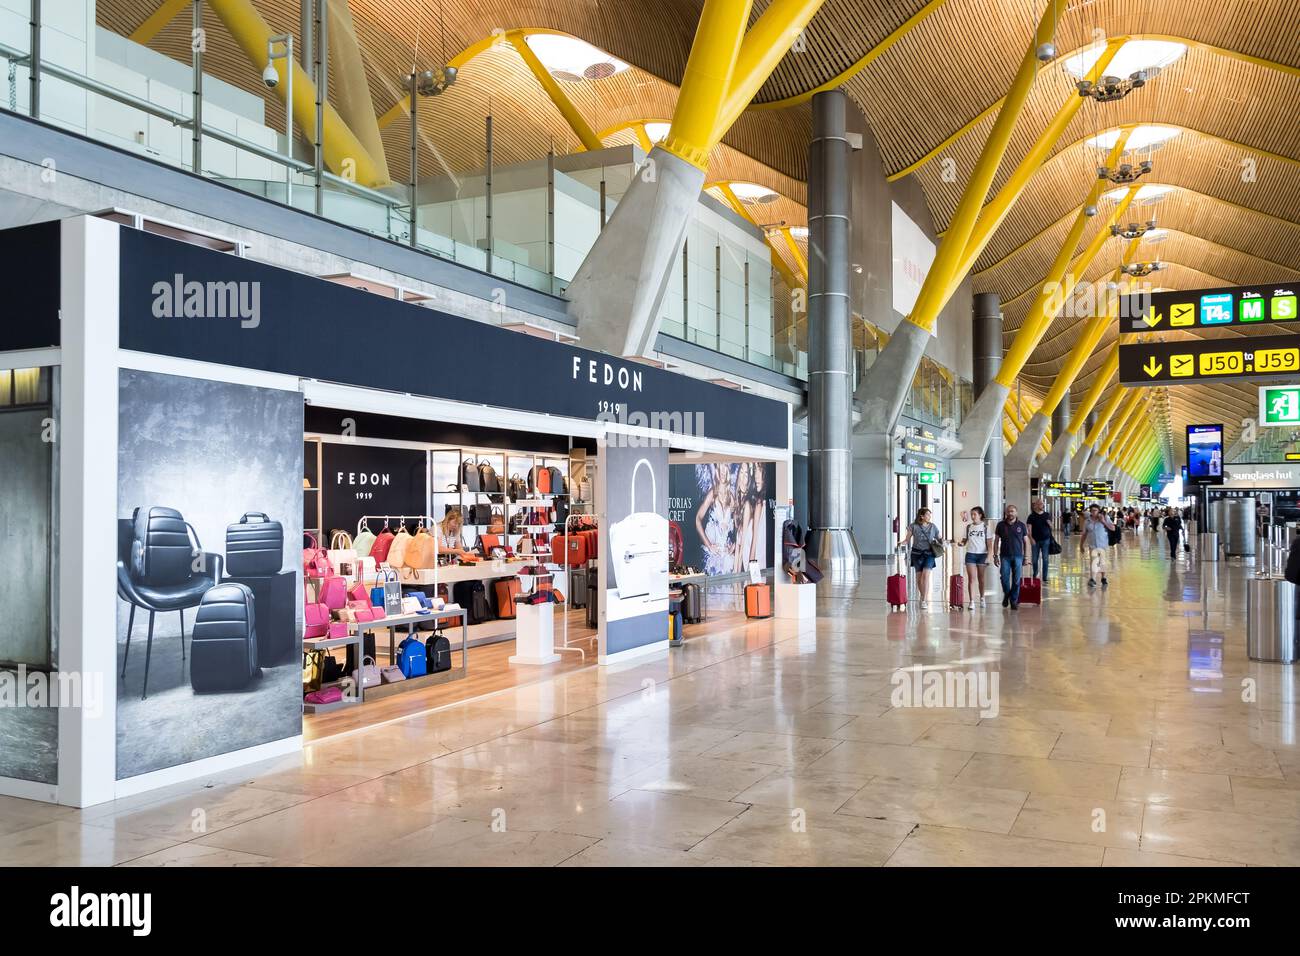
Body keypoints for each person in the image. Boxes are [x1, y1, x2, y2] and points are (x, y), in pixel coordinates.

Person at [898, 507, 940, 609]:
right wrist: (901, 543)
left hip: (929, 554)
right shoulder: (913, 526)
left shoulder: (933, 526)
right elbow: (907, 539)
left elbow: (940, 538)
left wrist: (944, 542)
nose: (929, 517)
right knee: (919, 579)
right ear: (921, 516)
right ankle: (922, 596)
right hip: (916, 554)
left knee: (925, 576)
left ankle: (924, 599)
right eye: (927, 515)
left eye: (930, 515)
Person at [992, 504, 1030, 609]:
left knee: (1017, 580)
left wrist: (1026, 557)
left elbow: (1026, 542)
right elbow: (996, 541)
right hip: (1004, 556)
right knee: (1004, 578)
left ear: (1016, 513)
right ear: (1006, 513)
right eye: (1008, 511)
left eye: (1012, 511)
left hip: (1018, 556)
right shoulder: (1000, 525)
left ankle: (1013, 600)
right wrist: (995, 556)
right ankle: (1007, 594)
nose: (1010, 513)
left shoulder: (1021, 526)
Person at [960, 506, 990, 610]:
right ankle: (972, 601)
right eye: (971, 514)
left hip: (982, 555)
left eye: (974, 514)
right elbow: (964, 540)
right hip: (970, 554)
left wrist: (989, 556)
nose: (972, 516)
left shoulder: (986, 527)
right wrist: (961, 543)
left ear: (980, 515)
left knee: (981, 579)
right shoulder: (968, 527)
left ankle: (982, 598)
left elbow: (989, 544)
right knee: (971, 579)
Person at [1082, 503, 1115, 589]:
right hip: (1092, 545)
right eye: (1092, 511)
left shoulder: (1105, 518)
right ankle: (1092, 579)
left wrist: (1103, 521)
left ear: (1099, 511)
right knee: (1094, 561)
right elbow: (1084, 534)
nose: (1094, 512)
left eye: (1095, 510)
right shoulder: (1087, 521)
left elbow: (1113, 528)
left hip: (1103, 544)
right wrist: (1081, 544)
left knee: (1102, 562)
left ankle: (1103, 578)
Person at [1026, 498, 1054, 583]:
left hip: (1046, 539)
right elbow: (1029, 529)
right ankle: (1035, 573)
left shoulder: (1047, 515)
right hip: (1035, 540)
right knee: (1034, 559)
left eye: (1043, 504)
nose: (1043, 505)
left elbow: (1052, 527)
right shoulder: (1031, 516)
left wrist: (1050, 524)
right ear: (1036, 505)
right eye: (1041, 504)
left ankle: (1045, 577)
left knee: (1045, 559)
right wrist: (1031, 539)